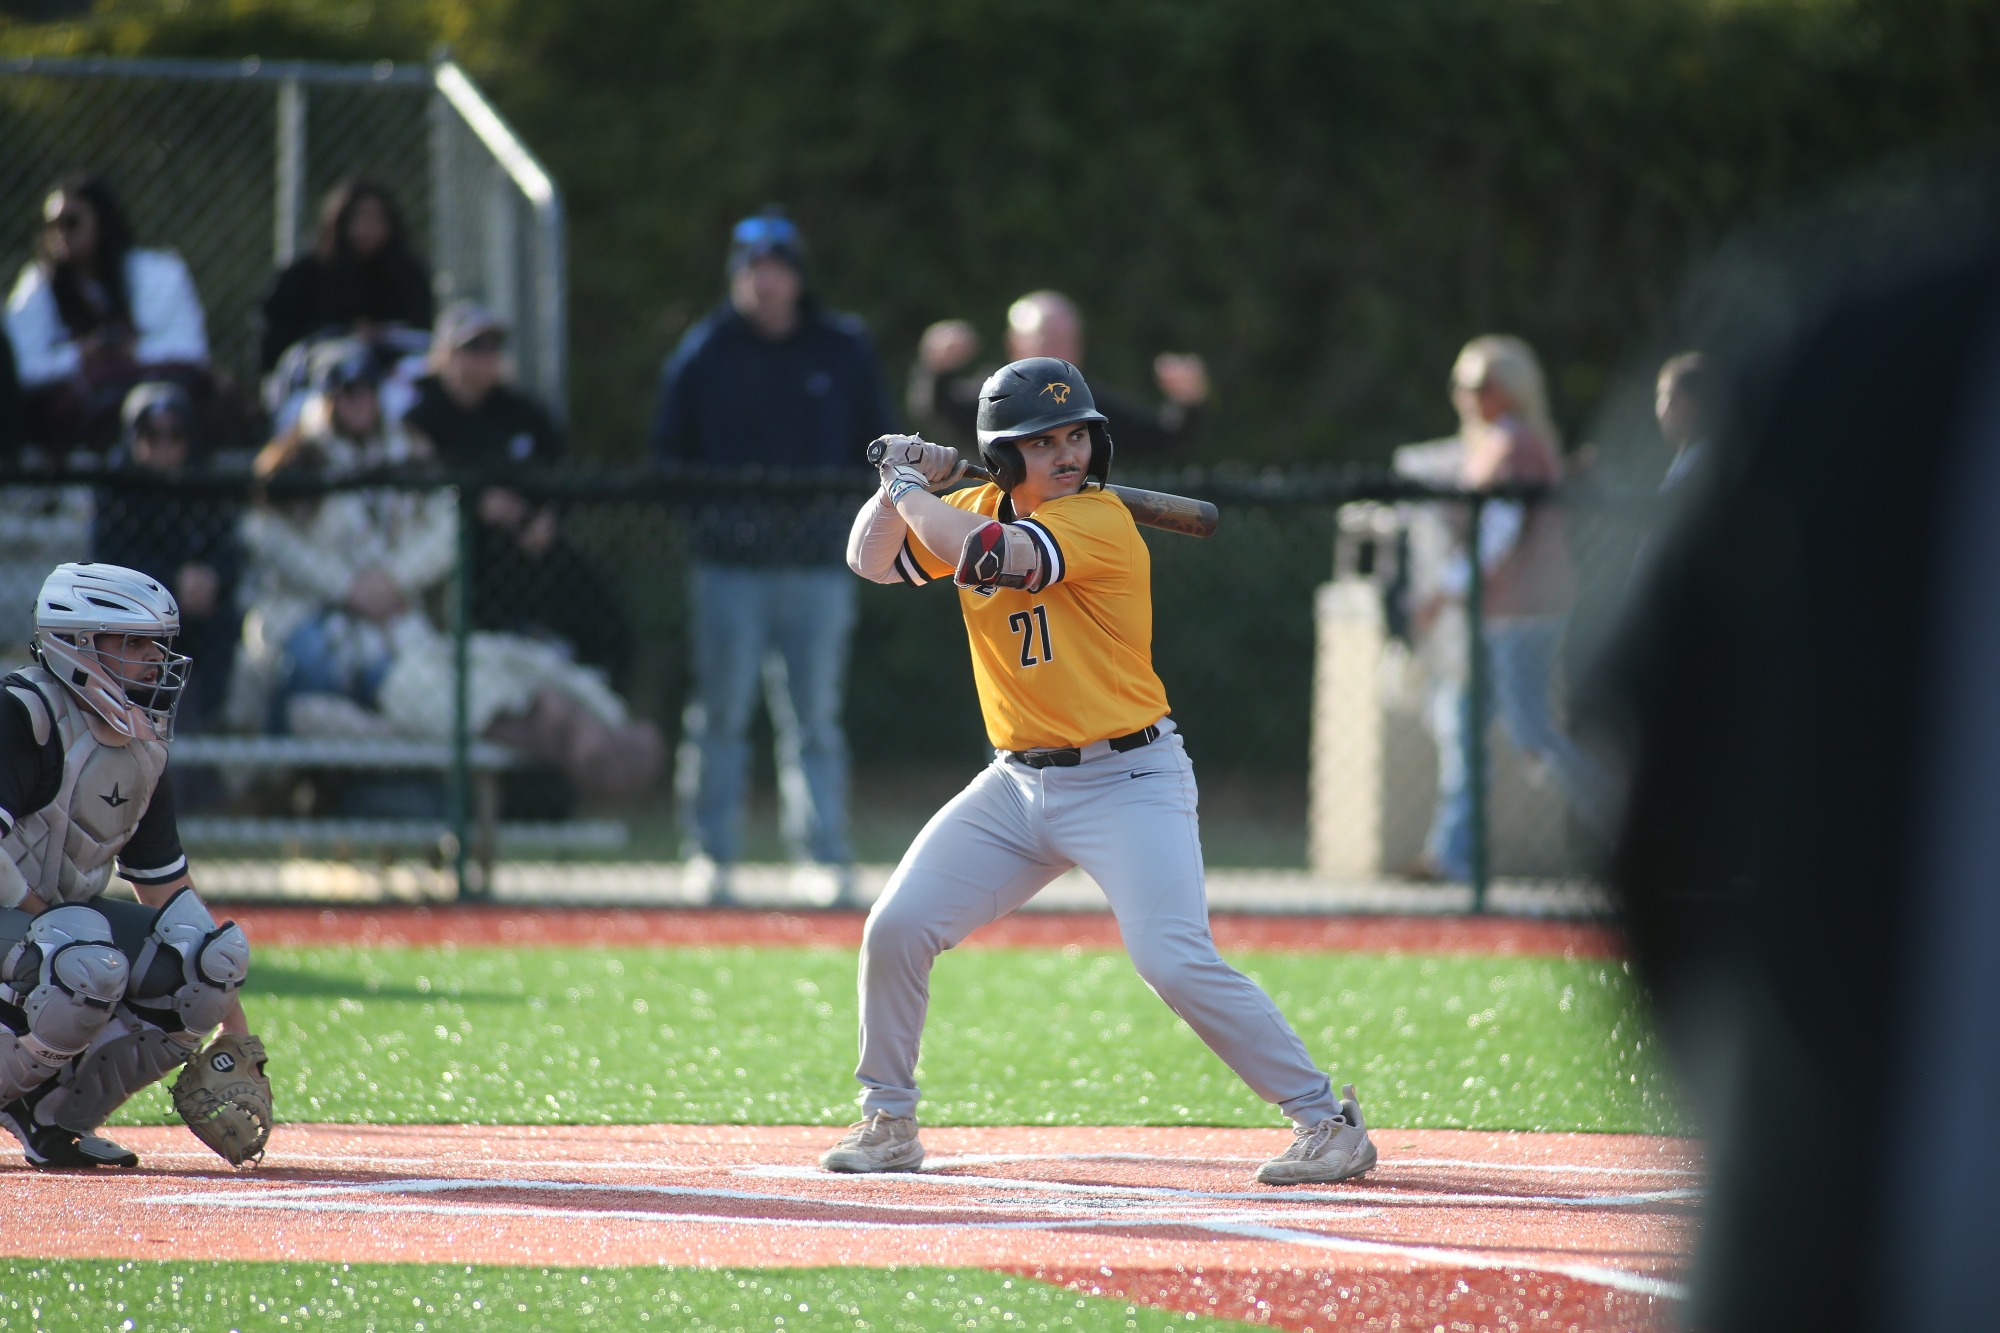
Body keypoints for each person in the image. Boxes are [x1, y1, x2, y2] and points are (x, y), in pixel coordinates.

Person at [825, 356, 1376, 1185]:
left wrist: (910, 486)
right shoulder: (973, 502)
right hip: (1016, 786)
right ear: (1003, 457)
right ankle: (889, 1121)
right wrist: (896, 481)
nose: (1067, 453)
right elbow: (871, 559)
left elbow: (985, 554)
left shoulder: (1097, 523)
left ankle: (1327, 1120)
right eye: (1040, 442)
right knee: (897, 926)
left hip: (1129, 778)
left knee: (1171, 957)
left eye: (1075, 434)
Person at [648, 211, 893, 904]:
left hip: (820, 563)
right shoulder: (706, 350)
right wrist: (714, 523)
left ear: (797, 275)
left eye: (777, 266)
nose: (766, 280)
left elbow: (876, 449)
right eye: (753, 266)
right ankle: (710, 854)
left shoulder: (841, 348)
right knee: (720, 713)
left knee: (815, 716)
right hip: (728, 568)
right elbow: (668, 452)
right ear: (737, 274)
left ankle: (822, 856)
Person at [0, 562, 256, 1169]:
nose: (152, 661)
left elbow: (170, 894)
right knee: (83, 954)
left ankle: (53, 1118)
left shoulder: (141, 745)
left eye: (157, 645)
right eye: (134, 644)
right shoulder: (21, 715)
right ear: (81, 646)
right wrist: (50, 924)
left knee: (205, 962)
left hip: (50, 934)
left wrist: (234, 1027)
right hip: (37, 928)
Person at [1409, 335, 1612, 880]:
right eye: (1463, 384)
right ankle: (1450, 855)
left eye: (1483, 384)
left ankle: (1639, 830)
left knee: (1533, 736)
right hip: (1497, 611)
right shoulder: (1496, 441)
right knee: (1467, 726)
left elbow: (1495, 534)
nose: (1469, 395)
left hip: (1524, 610)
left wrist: (1441, 594)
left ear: (1512, 388)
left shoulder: (1514, 443)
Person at [403, 303, 629, 678]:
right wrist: (473, 503)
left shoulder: (522, 412)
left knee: (608, 622)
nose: (486, 358)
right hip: (460, 557)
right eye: (474, 348)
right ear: (445, 355)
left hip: (530, 548)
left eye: (493, 348)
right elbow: (414, 487)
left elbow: (563, 473)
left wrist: (548, 517)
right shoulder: (422, 416)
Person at [5, 176, 211, 454]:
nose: (60, 233)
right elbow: (20, 369)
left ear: (102, 224)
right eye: (52, 224)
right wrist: (82, 355)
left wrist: (130, 352)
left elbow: (192, 350)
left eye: (72, 222)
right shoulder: (37, 288)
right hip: (77, 430)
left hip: (149, 393)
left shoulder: (155, 272)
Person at [91, 383, 242, 739]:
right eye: (150, 435)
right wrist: (171, 584)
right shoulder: (117, 492)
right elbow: (108, 564)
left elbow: (230, 556)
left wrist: (211, 579)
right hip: (135, 616)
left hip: (199, 616)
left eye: (175, 435)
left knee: (228, 624)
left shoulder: (205, 488)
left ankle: (214, 726)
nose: (163, 446)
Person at [909, 290, 1208, 460]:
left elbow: (1161, 437)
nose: (1060, 349)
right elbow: (937, 407)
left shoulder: (1089, 404)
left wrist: (1189, 403)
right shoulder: (990, 396)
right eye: (1048, 337)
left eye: (1069, 339)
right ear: (1014, 343)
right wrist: (936, 369)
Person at [258, 178, 435, 374]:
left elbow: (420, 332)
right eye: (359, 218)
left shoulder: (407, 275)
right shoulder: (304, 275)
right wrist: (346, 332)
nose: (368, 228)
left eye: (376, 219)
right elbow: (276, 342)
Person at [1653, 351, 1709, 492]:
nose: (1664, 409)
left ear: (1697, 404)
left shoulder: (1707, 465)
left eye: (1672, 399)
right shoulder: (1683, 458)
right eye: (1660, 398)